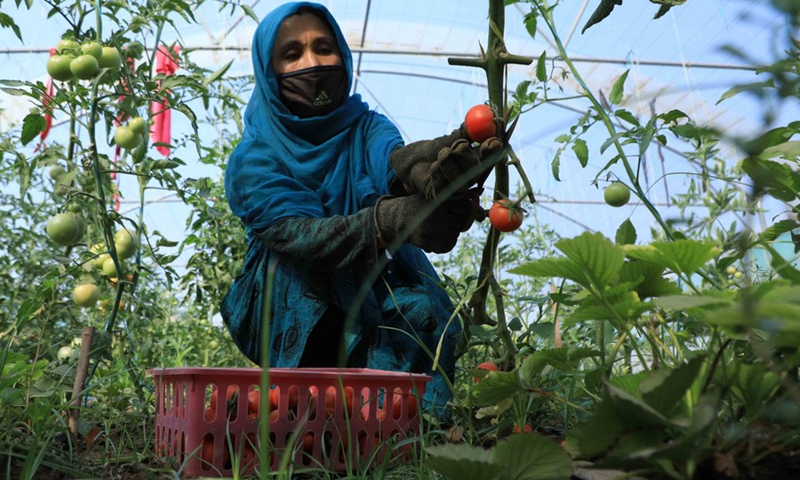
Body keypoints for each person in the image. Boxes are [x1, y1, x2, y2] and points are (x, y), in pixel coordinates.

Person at [221, 1, 502, 421]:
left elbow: (388, 159)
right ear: (268, 69)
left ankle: (396, 414)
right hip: (285, 299)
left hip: (369, 280)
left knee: (418, 306)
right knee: (296, 273)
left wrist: (417, 168)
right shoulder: (254, 158)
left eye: (323, 47)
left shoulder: (365, 126)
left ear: (343, 55)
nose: (313, 64)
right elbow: (298, 235)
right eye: (292, 54)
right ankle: (305, 398)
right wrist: (392, 220)